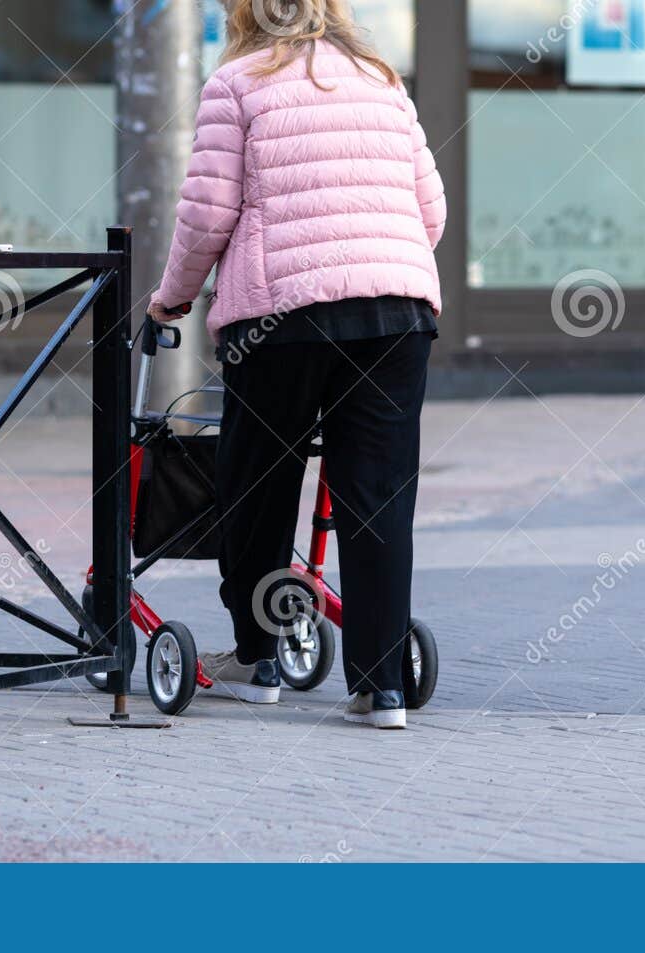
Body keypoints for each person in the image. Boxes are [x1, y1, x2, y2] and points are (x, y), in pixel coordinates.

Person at [149, 0, 445, 730]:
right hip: (396, 312)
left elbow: (208, 213)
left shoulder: (237, 84)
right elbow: (429, 209)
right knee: (377, 496)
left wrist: (170, 299)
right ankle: (381, 688)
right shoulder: (384, 80)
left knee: (257, 481)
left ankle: (259, 655)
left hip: (281, 318)